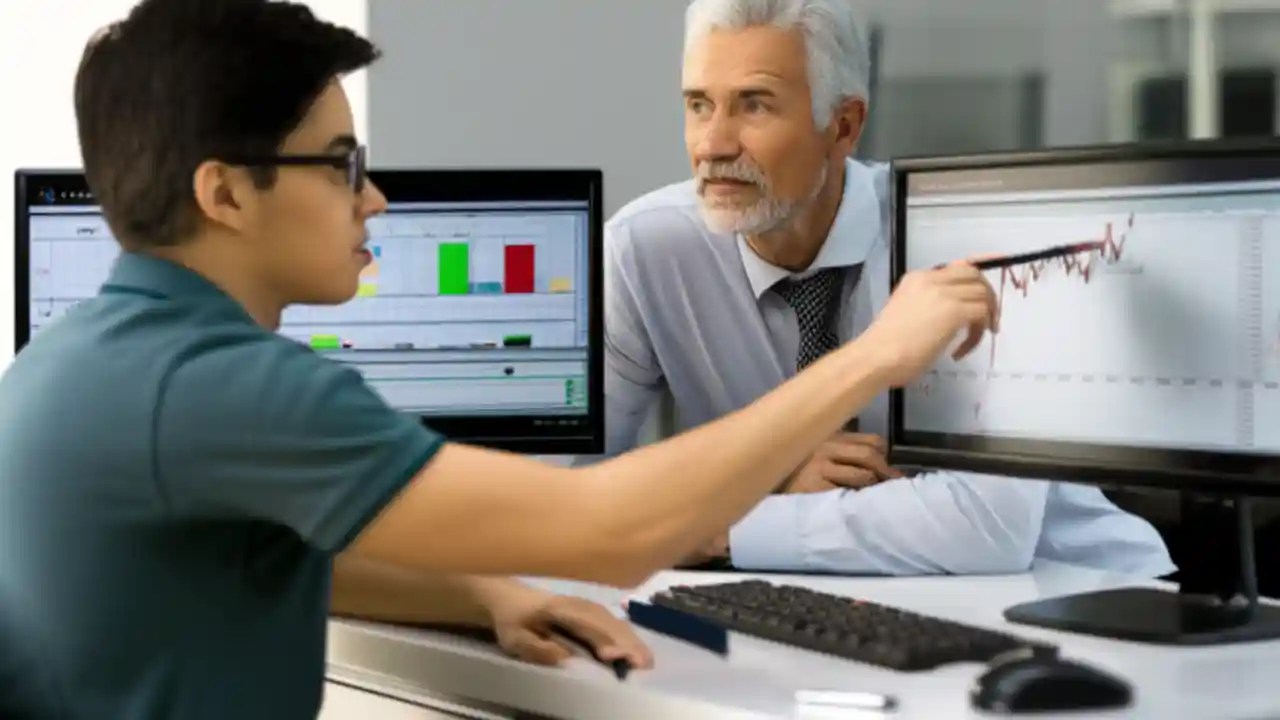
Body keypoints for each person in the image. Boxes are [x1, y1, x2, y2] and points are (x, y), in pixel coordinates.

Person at [0, 1, 1000, 718]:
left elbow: (301, 558)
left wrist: (482, 595)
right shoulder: (231, 388)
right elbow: (611, 530)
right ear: (224, 193)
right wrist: (870, 360)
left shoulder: (75, 360)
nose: (374, 198)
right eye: (341, 165)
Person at [582, 0, 1176, 577]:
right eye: (698, 105)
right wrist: (769, 475)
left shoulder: (963, 244)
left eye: (754, 106)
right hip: (815, 604)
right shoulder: (645, 251)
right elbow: (567, 492)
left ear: (842, 127)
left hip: (1076, 594)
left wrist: (719, 523)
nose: (713, 144)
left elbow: (988, 525)